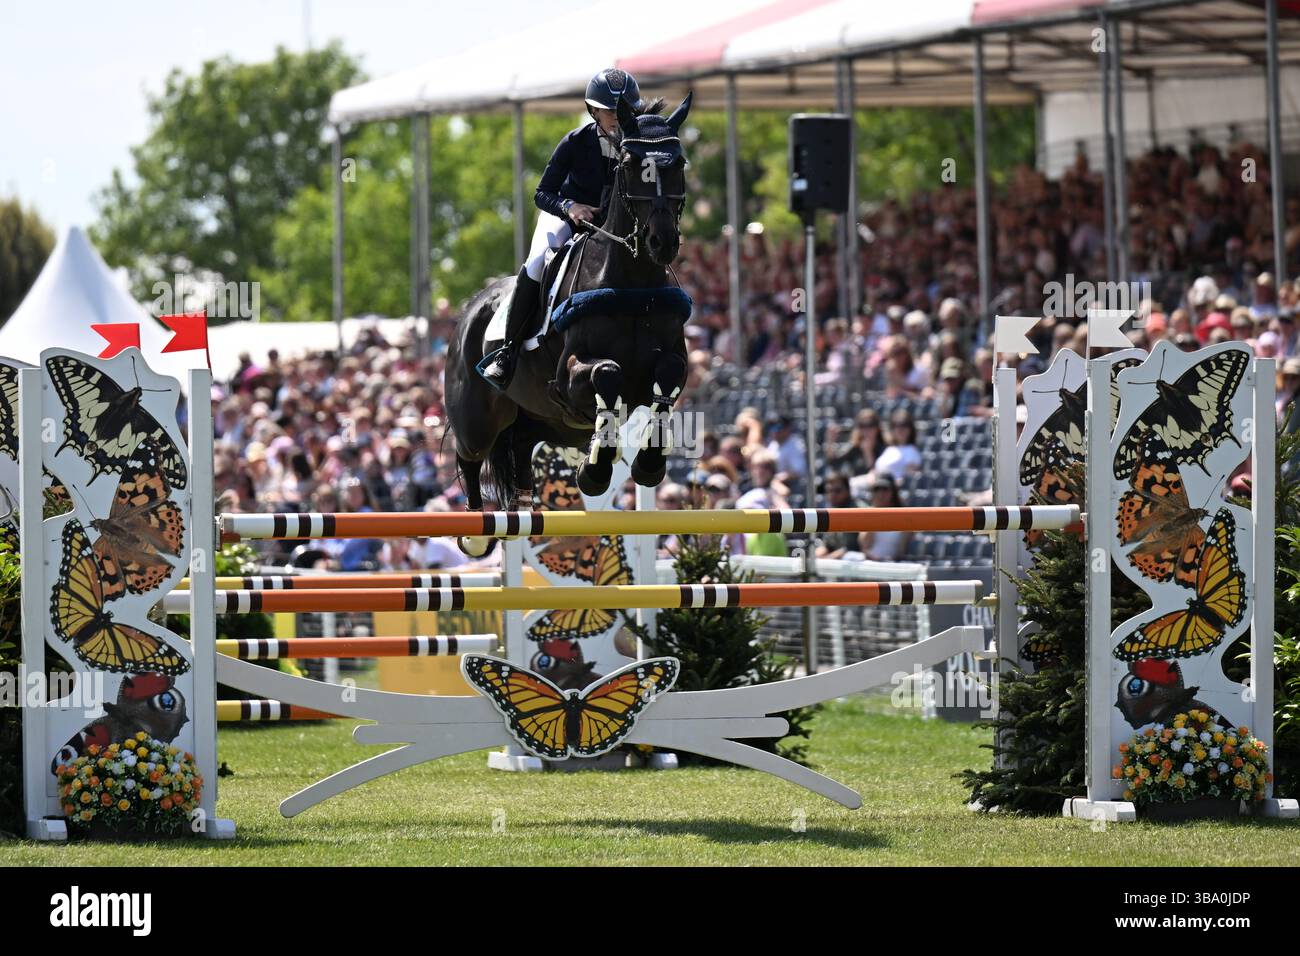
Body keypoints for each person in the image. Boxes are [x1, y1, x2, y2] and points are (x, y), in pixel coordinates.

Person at [481, 68, 649, 390]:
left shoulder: (638, 145)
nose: (619, 117)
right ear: (594, 111)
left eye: (626, 109)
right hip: (568, 216)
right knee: (537, 261)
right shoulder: (575, 142)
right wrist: (570, 207)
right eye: (611, 111)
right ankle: (508, 351)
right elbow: (542, 193)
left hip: (614, 224)